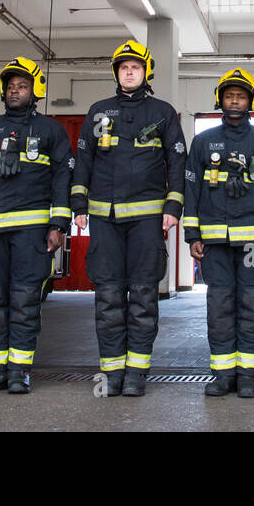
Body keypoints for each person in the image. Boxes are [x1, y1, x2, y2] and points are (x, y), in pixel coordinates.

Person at [71, 40, 186, 397]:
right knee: (107, 296)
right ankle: (111, 372)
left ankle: (136, 372)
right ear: (117, 73)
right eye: (123, 67)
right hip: (104, 218)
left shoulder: (163, 113)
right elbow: (84, 161)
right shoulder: (97, 111)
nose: (129, 71)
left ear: (147, 71)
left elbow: (178, 163)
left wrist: (173, 208)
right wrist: (78, 205)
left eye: (136, 67)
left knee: (142, 295)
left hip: (147, 221)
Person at [0, 58, 73, 394]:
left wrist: (58, 225)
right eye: (10, 86)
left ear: (35, 90)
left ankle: (19, 372)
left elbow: (63, 181)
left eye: (22, 86)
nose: (14, 91)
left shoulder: (51, 131)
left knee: (25, 301)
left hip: (31, 232)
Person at [183, 68, 254, 398]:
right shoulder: (203, 143)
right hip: (214, 243)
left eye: (241, 96)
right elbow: (191, 191)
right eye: (229, 95)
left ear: (251, 101)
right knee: (218, 307)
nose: (234, 101)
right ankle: (222, 374)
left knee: (251, 306)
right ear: (220, 99)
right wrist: (193, 235)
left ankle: (248, 375)